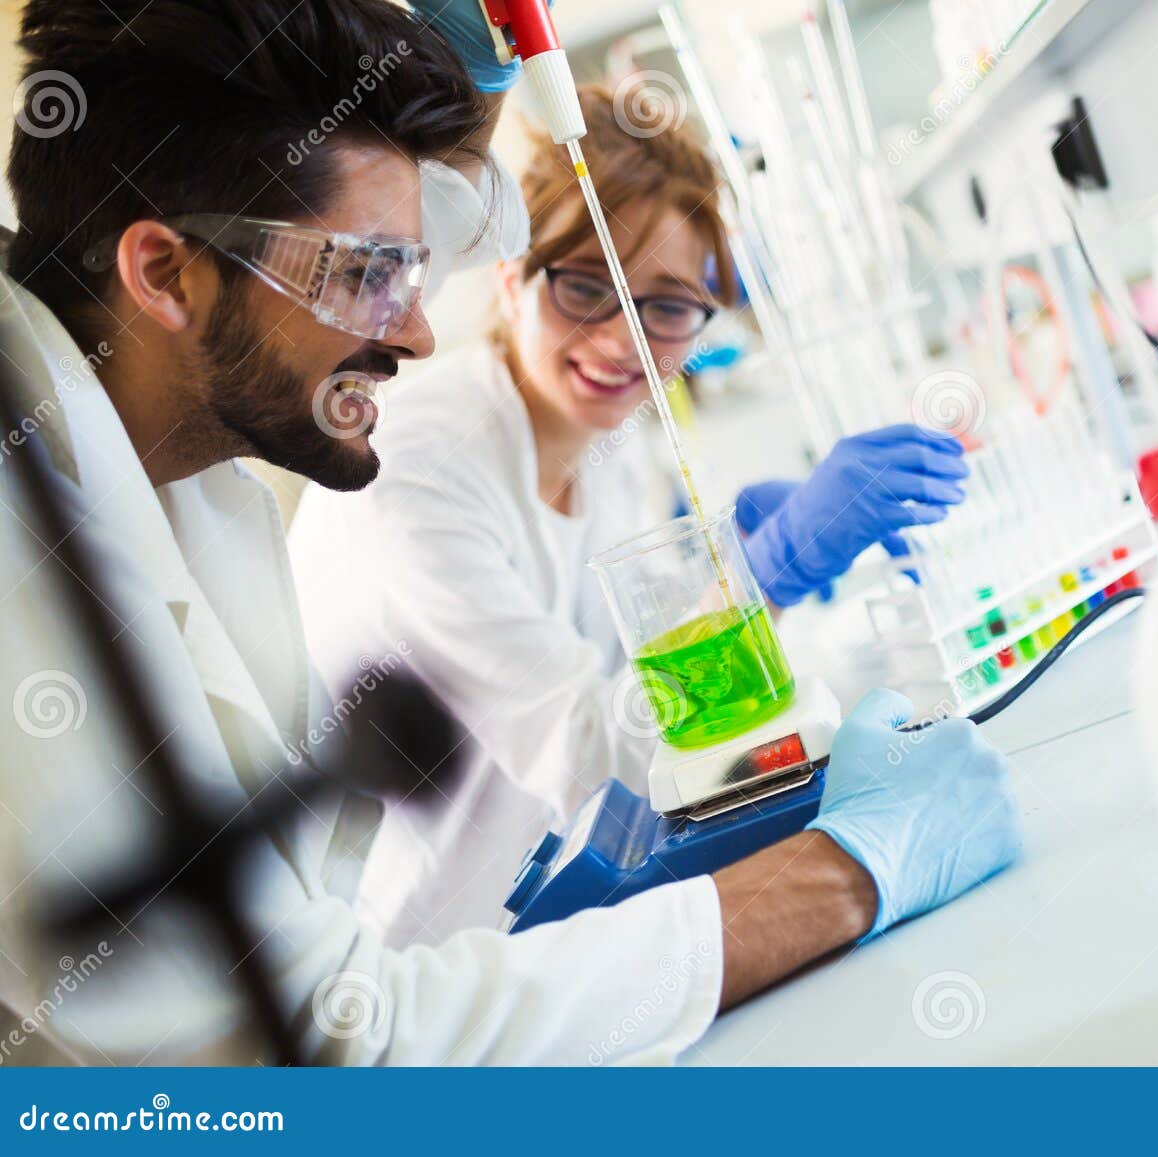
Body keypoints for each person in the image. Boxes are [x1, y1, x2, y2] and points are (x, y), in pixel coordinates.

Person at [0, 0, 1020, 1065]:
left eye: (673, 308)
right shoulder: (29, 555)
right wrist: (850, 869)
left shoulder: (184, 477)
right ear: (163, 272)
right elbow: (323, 1044)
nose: (417, 330)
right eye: (365, 274)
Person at [289, 85, 971, 944]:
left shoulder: (608, 443)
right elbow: (594, 763)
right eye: (584, 287)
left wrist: (734, 572)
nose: (622, 342)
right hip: (446, 974)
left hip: (581, 919)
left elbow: (635, 698)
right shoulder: (413, 472)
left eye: (670, 305)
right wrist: (769, 573)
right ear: (511, 276)